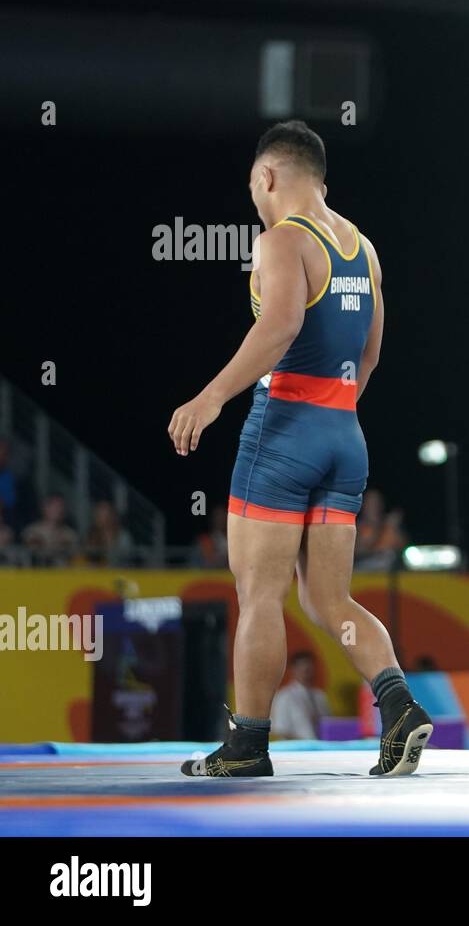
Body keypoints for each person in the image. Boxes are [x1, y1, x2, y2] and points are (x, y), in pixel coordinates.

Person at [168, 120, 430, 777]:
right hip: (345, 436)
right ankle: (397, 705)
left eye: (253, 185)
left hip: (283, 435)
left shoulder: (282, 240)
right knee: (328, 601)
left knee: (259, 594)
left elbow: (281, 325)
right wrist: (335, 413)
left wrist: (211, 397)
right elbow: (370, 351)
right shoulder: (361, 247)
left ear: (267, 177)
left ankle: (248, 746)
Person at [270, 652, 332, 740]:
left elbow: (328, 725)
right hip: (298, 750)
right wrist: (305, 743)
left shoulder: (320, 696)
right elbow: (281, 730)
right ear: (293, 670)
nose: (307, 673)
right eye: (302, 669)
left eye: (309, 669)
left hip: (322, 748)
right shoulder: (285, 696)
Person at [22, 493, 80, 566]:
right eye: (54, 506)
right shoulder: (31, 531)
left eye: (60, 506)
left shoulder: (70, 534)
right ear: (45, 508)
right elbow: (32, 548)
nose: (57, 510)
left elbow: (75, 557)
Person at [84, 501, 134, 566]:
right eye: (97, 513)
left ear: (111, 516)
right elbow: (86, 557)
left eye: (102, 514)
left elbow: (127, 560)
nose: (98, 516)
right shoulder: (91, 535)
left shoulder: (123, 536)